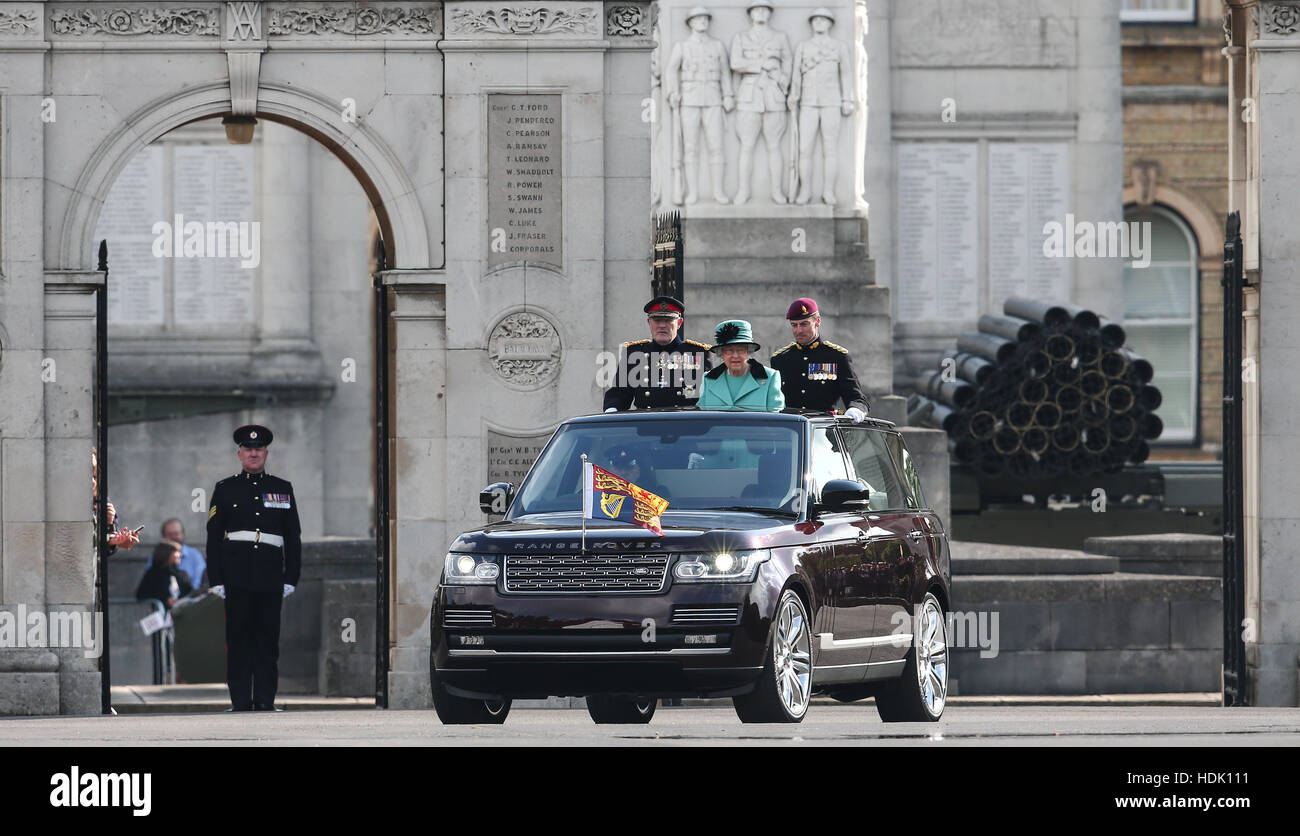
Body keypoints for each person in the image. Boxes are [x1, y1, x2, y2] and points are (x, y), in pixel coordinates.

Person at [205, 424, 302, 712]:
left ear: (266, 453)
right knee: (238, 640)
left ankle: (265, 701)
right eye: (248, 449)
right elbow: (213, 537)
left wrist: (291, 577)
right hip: (236, 577)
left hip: (270, 576)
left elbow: (292, 537)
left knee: (267, 641)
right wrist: (216, 578)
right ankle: (240, 702)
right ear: (240, 454)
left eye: (258, 449)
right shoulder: (225, 489)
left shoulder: (282, 488)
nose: (254, 453)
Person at [665, 6, 734, 205]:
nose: (702, 22)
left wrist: (728, 94)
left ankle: (718, 191)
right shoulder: (682, 46)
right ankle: (692, 193)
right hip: (690, 100)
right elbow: (671, 71)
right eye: (698, 19)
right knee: (690, 148)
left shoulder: (717, 46)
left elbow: (724, 73)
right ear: (691, 23)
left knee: (717, 147)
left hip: (713, 99)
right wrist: (673, 92)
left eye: (705, 18)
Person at [787, 8, 856, 205]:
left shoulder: (839, 47)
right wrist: (794, 96)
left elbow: (846, 74)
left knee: (830, 149)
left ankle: (828, 191)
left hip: (831, 101)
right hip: (808, 102)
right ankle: (805, 191)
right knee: (804, 150)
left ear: (829, 24)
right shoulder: (803, 47)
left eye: (822, 20)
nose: (818, 23)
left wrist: (847, 99)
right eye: (815, 20)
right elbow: (796, 75)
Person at [730, 0, 792, 204]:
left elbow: (788, 64)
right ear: (751, 13)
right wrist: (761, 64)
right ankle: (743, 191)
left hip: (773, 96)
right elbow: (735, 62)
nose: (761, 13)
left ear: (769, 13)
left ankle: (776, 191)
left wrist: (783, 80)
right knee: (746, 146)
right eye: (757, 9)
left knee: (774, 146)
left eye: (765, 9)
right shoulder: (741, 37)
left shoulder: (780, 37)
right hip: (749, 97)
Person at [604, 296, 713, 411]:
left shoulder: (698, 353)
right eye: (657, 320)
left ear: (679, 323)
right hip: (646, 423)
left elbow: (709, 396)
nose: (662, 325)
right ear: (649, 322)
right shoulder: (634, 353)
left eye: (668, 320)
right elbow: (620, 393)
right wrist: (612, 409)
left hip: (684, 424)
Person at [770, 297, 869, 419]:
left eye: (804, 324)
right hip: (790, 430)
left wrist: (855, 409)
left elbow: (856, 397)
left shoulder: (836, 357)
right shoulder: (780, 359)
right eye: (794, 325)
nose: (798, 330)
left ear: (817, 322)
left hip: (823, 428)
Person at [697, 320, 786, 411]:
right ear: (721, 354)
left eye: (741, 350)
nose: (735, 356)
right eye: (729, 350)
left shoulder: (770, 378)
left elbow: (777, 420)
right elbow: (702, 419)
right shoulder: (708, 380)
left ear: (748, 352)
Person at [92, 446, 140, 554]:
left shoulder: (102, 501)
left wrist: (115, 538)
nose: (92, 482)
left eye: (95, 477)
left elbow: (104, 549)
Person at [135, 540, 193, 612]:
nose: (180, 555)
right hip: (160, 616)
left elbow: (190, 592)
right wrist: (165, 599)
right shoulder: (153, 574)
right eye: (176, 552)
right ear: (166, 554)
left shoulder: (182, 574)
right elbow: (142, 595)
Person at [161, 518, 207, 591]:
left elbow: (197, 586)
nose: (173, 537)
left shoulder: (195, 556)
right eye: (169, 534)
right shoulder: (157, 556)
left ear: (182, 534)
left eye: (176, 534)